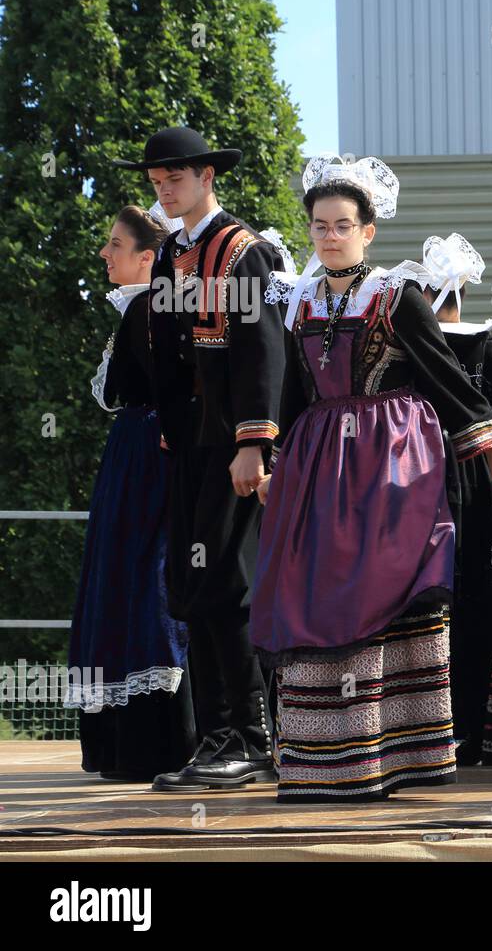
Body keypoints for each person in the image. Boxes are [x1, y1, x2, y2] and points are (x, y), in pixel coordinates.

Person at [250, 156, 492, 802]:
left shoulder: (396, 296)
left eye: (343, 225)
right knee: (320, 588)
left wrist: (490, 446)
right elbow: (290, 392)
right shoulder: (299, 301)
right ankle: (322, 758)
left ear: (368, 230)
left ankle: (392, 753)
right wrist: (273, 459)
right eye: (319, 226)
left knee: (384, 584)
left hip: (391, 460)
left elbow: (445, 377)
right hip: (319, 458)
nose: (329, 236)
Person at [113, 127, 287, 791]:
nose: (164, 188)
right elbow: (163, 345)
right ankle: (216, 734)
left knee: (224, 586)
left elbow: (261, 349)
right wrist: (167, 421)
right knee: (190, 591)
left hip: (232, 444)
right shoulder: (168, 257)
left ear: (208, 176)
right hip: (188, 441)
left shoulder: (245, 251)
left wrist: (253, 442)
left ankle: (248, 735)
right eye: (156, 180)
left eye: (175, 177)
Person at [66, 204, 197, 781]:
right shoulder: (155, 307)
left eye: (115, 244)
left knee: (143, 575)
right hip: (143, 451)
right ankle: (147, 738)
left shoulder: (149, 307)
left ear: (149, 257)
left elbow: (124, 388)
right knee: (137, 574)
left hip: (147, 454)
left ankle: (144, 741)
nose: (104, 253)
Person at [417, 232, 492, 766]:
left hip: (423, 485)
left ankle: (436, 730)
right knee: (479, 608)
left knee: (434, 606)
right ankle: (474, 733)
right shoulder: (486, 346)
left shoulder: (416, 344)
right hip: (480, 483)